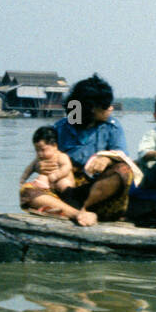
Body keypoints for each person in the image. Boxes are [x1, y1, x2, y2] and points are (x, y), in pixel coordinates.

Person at [20, 73, 135, 226]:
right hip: (66, 191)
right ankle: (77, 213)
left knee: (123, 170)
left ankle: (85, 207)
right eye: (106, 106)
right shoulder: (61, 128)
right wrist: (39, 166)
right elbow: (45, 155)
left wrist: (107, 158)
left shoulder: (112, 126)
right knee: (27, 192)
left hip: (99, 192)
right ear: (91, 109)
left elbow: (122, 155)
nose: (111, 108)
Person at [19, 126, 75, 213]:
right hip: (49, 188)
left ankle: (70, 205)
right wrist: (23, 178)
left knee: (63, 183)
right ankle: (50, 206)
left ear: (55, 146)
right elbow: (30, 168)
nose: (40, 153)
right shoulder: (39, 158)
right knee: (37, 181)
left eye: (43, 150)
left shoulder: (60, 156)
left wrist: (57, 175)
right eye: (37, 150)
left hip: (62, 183)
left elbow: (67, 167)